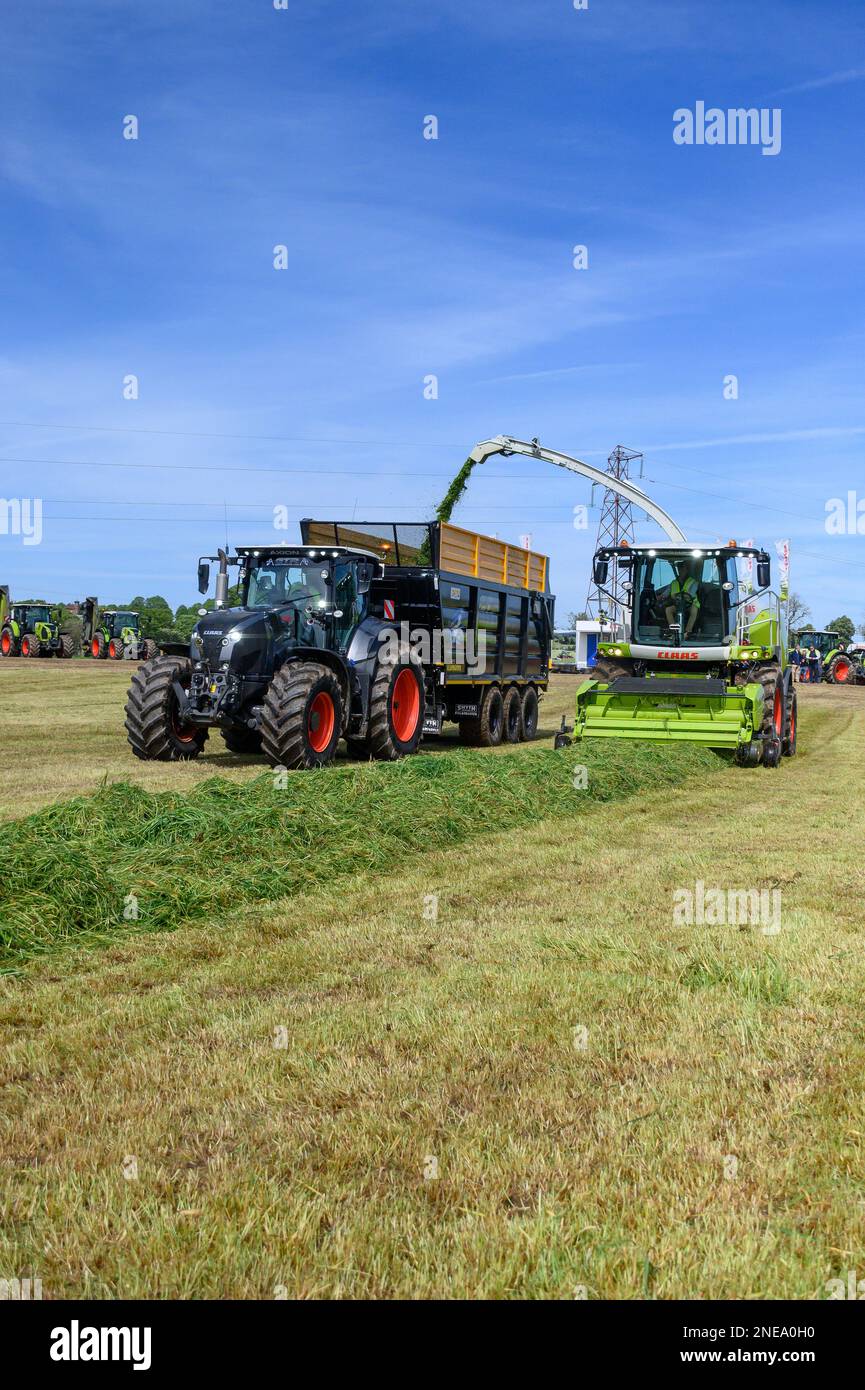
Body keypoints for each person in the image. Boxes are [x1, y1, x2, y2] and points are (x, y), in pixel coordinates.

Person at [665, 560, 701, 636]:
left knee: (694, 610)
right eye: (679, 568)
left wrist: (679, 596)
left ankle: (687, 632)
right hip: (678, 604)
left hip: (690, 604)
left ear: (687, 570)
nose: (681, 570)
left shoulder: (693, 582)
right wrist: (659, 597)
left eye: (683, 569)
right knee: (668, 610)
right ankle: (674, 631)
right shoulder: (673, 582)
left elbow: (691, 594)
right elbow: (666, 593)